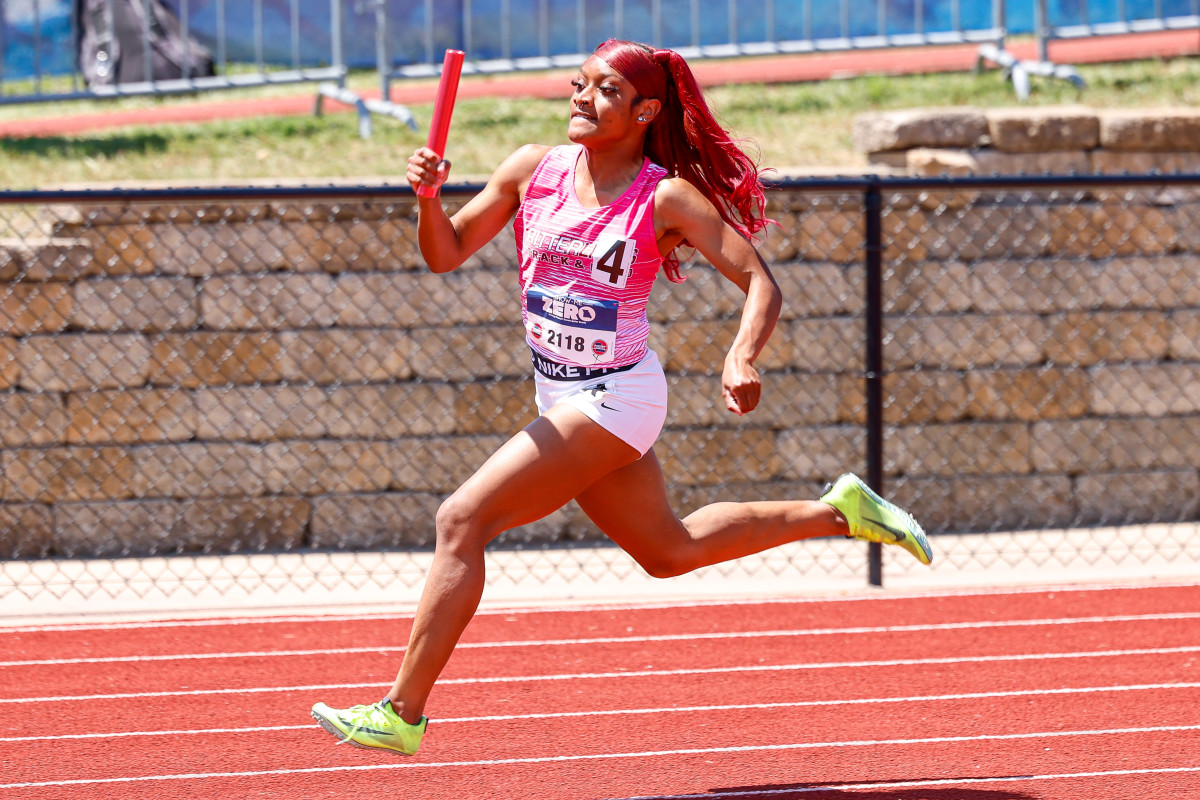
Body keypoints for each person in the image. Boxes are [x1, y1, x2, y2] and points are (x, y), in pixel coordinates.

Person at [311, 38, 931, 756]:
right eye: (579, 84)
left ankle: (401, 713)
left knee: (462, 518)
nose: (581, 97)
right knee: (669, 551)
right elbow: (444, 252)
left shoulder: (665, 196)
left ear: (646, 110)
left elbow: (761, 282)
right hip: (561, 395)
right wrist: (426, 199)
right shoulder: (531, 169)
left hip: (617, 397)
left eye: (605, 90)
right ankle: (840, 512)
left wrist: (740, 355)